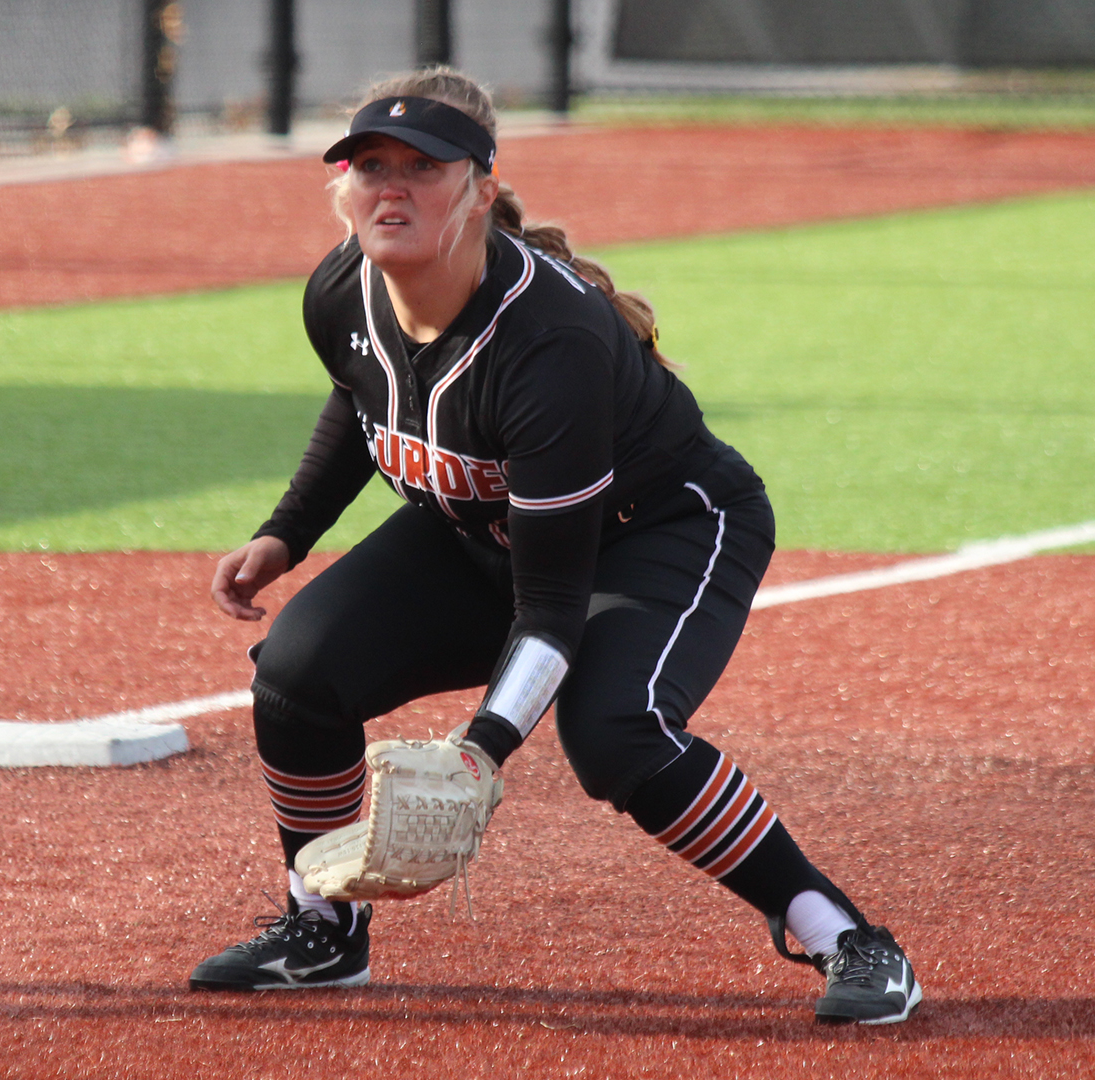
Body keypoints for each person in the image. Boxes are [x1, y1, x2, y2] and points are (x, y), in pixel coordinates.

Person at [186, 68, 920, 1025]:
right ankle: (322, 928)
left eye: (423, 168)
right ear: (342, 189)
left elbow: (551, 607)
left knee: (614, 731)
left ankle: (848, 938)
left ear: (480, 190)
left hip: (660, 530)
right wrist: (287, 531)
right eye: (370, 167)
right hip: (488, 528)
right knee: (295, 675)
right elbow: (366, 396)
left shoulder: (549, 343)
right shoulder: (341, 289)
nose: (392, 188)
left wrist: (480, 752)